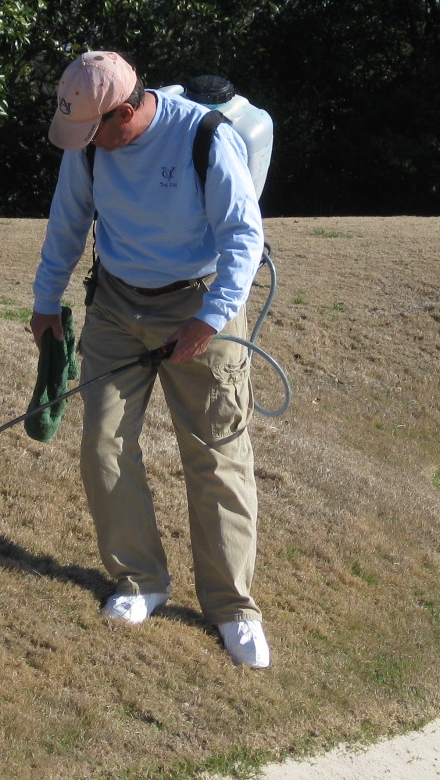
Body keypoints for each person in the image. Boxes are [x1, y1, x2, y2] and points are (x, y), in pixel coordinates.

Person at [29, 50, 270, 668]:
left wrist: (210, 320)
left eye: (96, 131)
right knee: (104, 444)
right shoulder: (87, 145)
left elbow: (244, 236)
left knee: (216, 456)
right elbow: (68, 221)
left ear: (128, 109)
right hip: (114, 304)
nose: (88, 145)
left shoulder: (204, 137)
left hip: (198, 303)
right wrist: (46, 299)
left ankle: (231, 607)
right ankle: (141, 581)